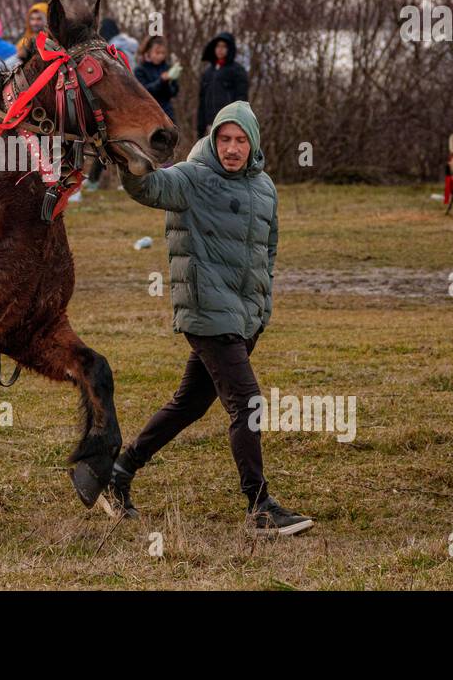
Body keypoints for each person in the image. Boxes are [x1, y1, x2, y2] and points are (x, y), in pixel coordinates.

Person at [107, 101, 312, 536]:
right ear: (213, 139)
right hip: (206, 312)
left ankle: (118, 473)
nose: (232, 148)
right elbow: (149, 188)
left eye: (240, 140)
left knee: (189, 405)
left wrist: (262, 307)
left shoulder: (265, 188)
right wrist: (129, 163)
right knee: (248, 404)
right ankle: (259, 507)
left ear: (252, 142)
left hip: (244, 318)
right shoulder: (192, 178)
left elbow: (267, 251)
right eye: (224, 139)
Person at [197, 31, 248, 138]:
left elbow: (242, 99)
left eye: (224, 46)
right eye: (218, 46)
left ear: (230, 49)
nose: (220, 49)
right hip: (210, 125)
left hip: (229, 123)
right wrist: (200, 128)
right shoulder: (207, 73)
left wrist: (236, 122)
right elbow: (202, 103)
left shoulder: (237, 71)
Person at [134, 35, 182, 122]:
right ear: (148, 52)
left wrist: (169, 80)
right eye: (157, 52)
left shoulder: (167, 68)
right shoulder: (140, 70)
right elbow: (143, 92)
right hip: (148, 115)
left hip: (167, 113)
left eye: (162, 53)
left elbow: (173, 92)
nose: (160, 56)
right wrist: (161, 81)